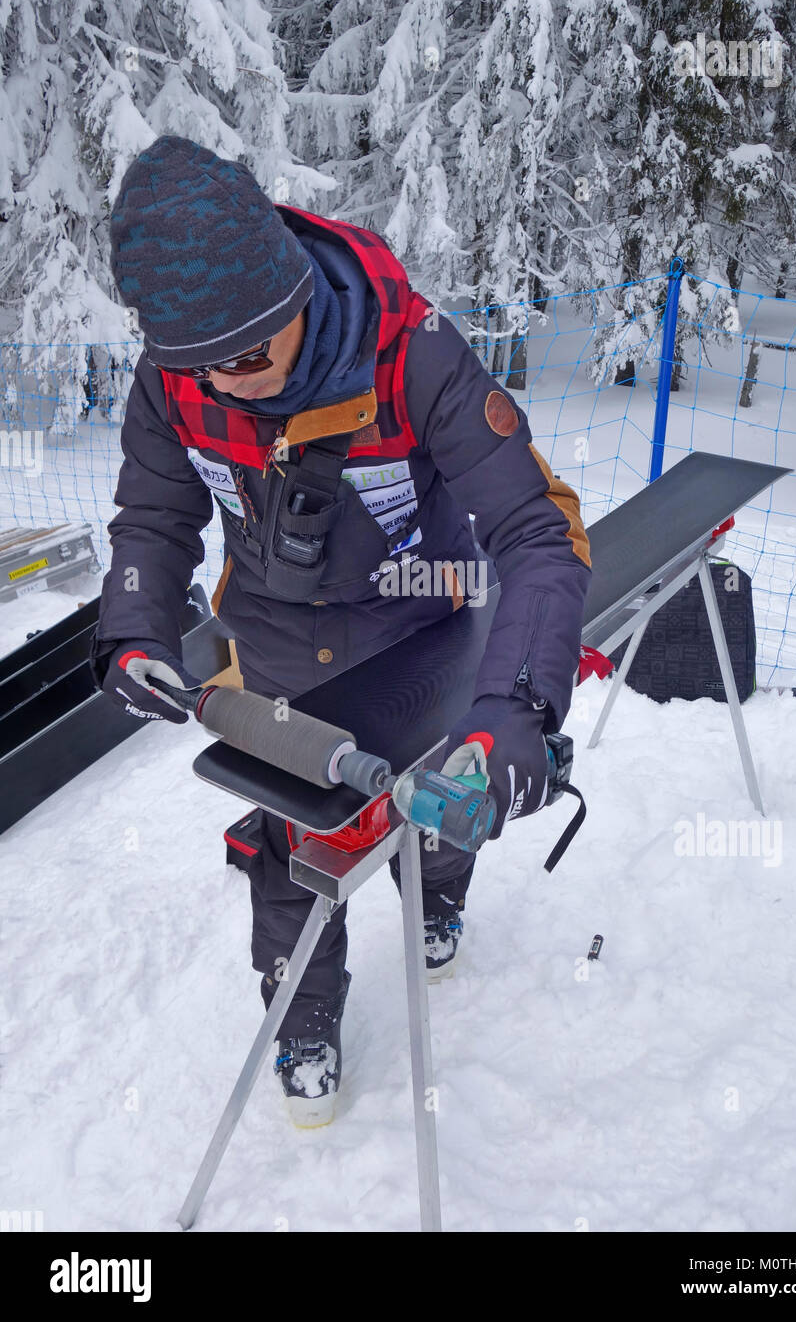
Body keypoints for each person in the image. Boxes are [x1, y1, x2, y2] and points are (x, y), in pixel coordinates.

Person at [91, 135, 592, 1127]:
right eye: (197, 364)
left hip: (422, 631)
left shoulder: (416, 354)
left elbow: (538, 530)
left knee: (445, 799)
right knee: (292, 846)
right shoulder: (178, 377)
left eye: (243, 355)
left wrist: (518, 704)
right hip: (276, 645)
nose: (225, 383)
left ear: (290, 298)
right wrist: (133, 630)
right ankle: (303, 1009)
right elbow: (152, 518)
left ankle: (437, 896)